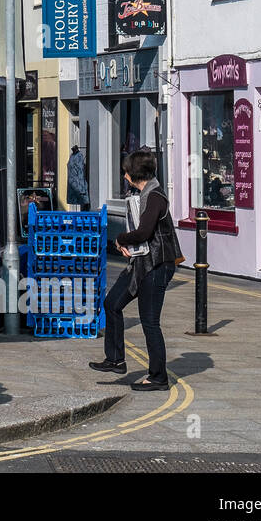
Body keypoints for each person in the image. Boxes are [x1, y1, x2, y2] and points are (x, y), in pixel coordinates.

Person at [90, 149, 184, 390]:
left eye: (125, 172)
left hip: (157, 265)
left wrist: (120, 238)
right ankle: (115, 359)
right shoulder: (143, 195)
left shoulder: (155, 197)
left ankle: (158, 377)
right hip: (141, 263)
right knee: (112, 304)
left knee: (150, 321)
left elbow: (143, 233)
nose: (124, 176)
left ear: (133, 174)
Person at [67, 145, 90, 211]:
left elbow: (80, 171)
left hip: (78, 182)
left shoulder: (79, 156)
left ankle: (85, 207)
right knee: (78, 199)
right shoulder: (71, 155)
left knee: (82, 199)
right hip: (72, 183)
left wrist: (81, 187)